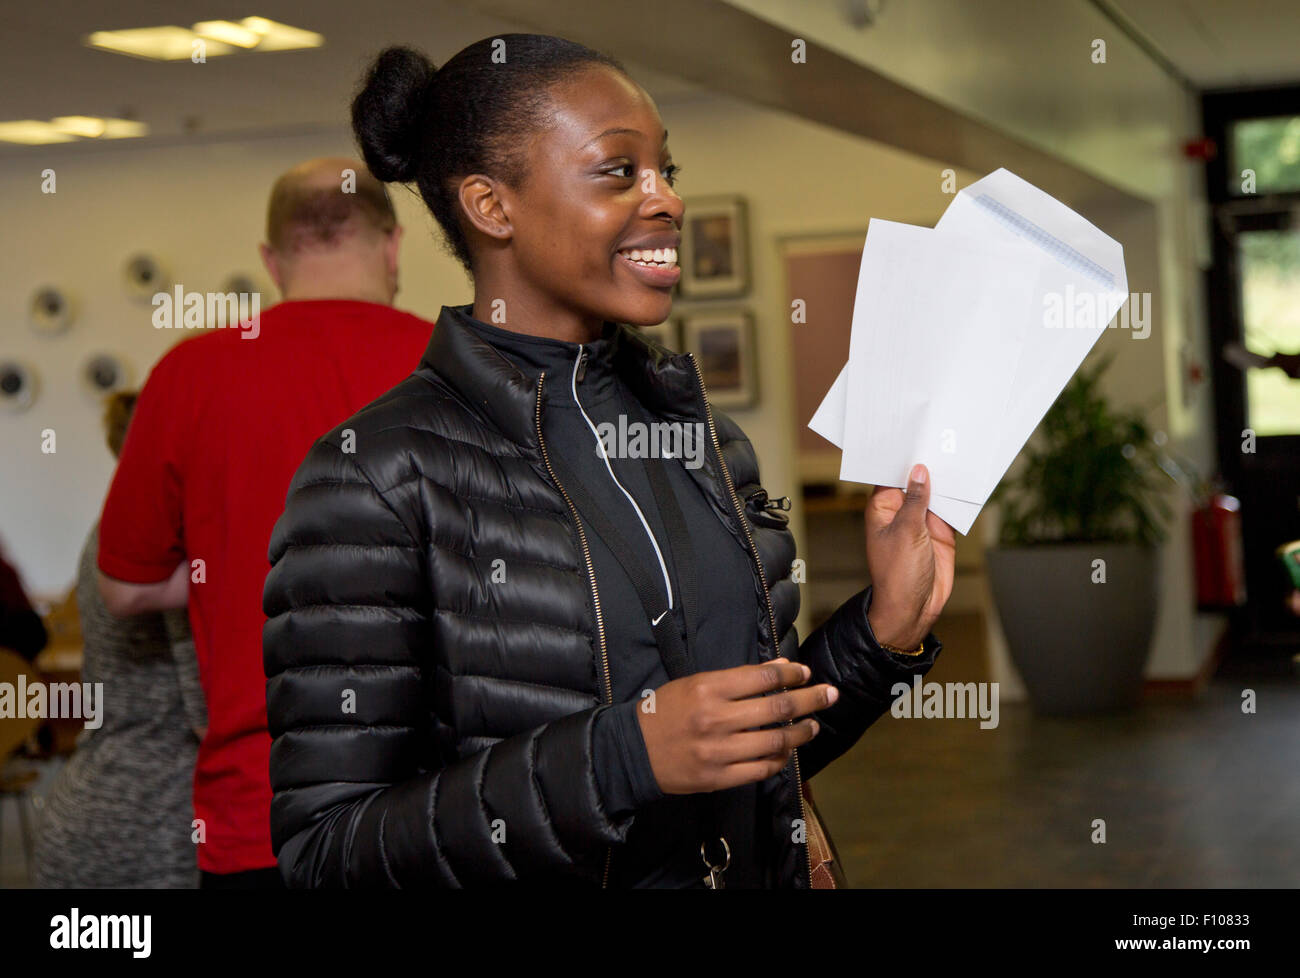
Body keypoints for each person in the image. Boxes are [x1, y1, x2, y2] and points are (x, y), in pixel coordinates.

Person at [262, 35, 956, 888]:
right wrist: (621, 759)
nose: (665, 199)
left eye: (667, 170)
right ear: (490, 205)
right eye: (618, 172)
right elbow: (326, 852)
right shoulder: (373, 475)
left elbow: (757, 749)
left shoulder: (703, 439)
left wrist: (885, 631)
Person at [95, 159, 436, 888]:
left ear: (272, 259)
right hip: (438, 807)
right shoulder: (456, 366)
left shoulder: (190, 373)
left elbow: (124, 590)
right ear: (393, 245)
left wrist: (234, 561)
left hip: (263, 809)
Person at [34, 391, 206, 889]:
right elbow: (205, 714)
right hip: (151, 829)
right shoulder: (163, 538)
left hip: (95, 806)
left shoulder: (111, 527)